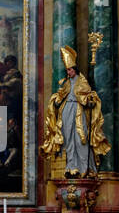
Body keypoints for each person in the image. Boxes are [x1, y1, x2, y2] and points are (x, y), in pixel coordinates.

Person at [41, 45, 110, 176]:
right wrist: (56, 102)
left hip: (78, 111)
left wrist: (90, 101)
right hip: (66, 110)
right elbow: (60, 95)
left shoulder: (82, 81)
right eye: (67, 70)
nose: (68, 73)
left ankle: (85, 168)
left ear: (74, 69)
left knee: (81, 138)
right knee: (68, 139)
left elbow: (89, 95)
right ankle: (71, 166)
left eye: (70, 70)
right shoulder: (66, 83)